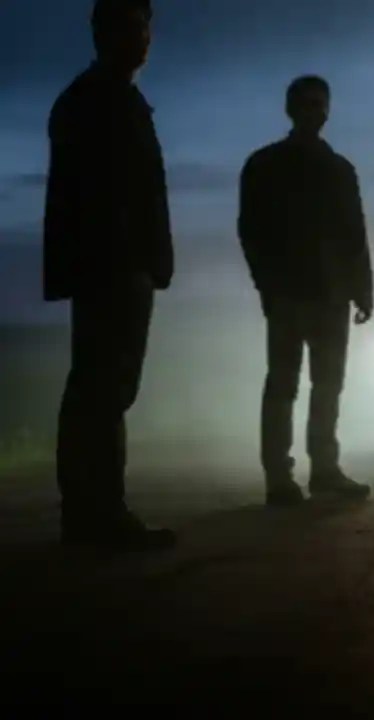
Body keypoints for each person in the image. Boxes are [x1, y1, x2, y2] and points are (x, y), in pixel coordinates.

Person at [44, 0, 175, 550]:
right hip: (112, 268)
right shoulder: (99, 101)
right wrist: (132, 261)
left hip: (117, 267)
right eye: (129, 27)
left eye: (144, 26)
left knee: (103, 390)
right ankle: (98, 515)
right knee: (101, 389)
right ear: (103, 34)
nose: (141, 38)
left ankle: (94, 512)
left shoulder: (110, 99)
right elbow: (102, 197)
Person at [238, 75, 374, 506]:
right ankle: (282, 476)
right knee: (286, 384)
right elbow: (251, 231)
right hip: (295, 291)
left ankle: (320, 470)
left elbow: (356, 235)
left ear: (326, 110)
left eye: (319, 104)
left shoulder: (336, 169)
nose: (314, 111)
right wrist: (266, 284)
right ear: (292, 109)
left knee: (323, 385)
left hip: (327, 292)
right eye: (307, 104)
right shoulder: (269, 166)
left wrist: (363, 289)